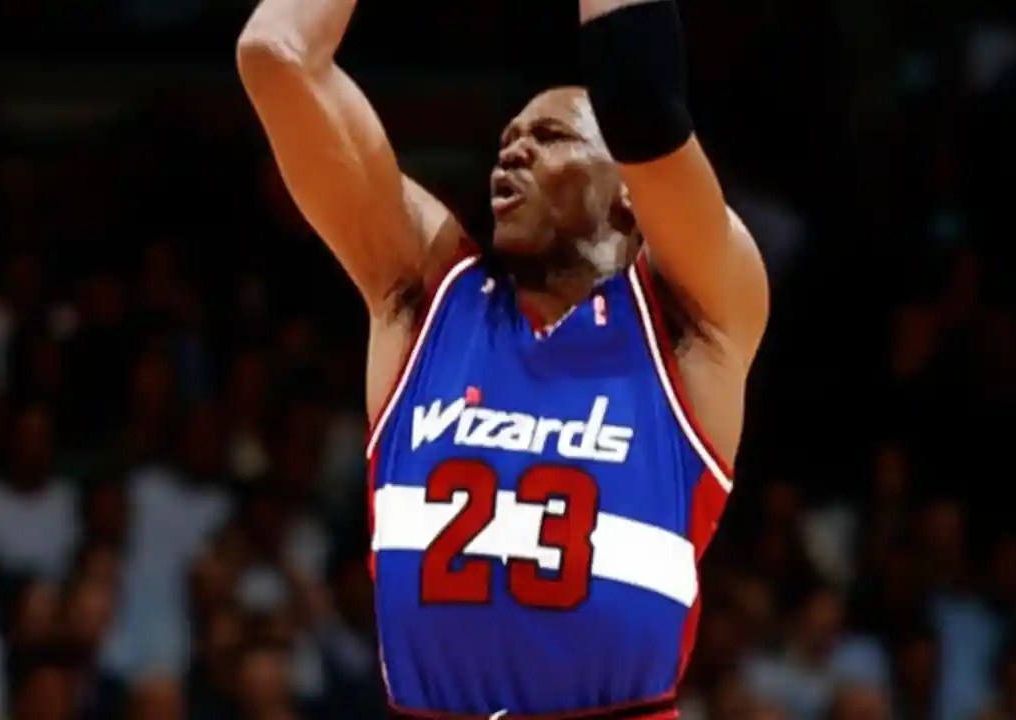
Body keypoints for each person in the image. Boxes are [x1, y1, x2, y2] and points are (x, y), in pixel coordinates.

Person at [236, 0, 769, 717]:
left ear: (630, 197)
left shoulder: (689, 323)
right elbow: (275, 54)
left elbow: (640, 93)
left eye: (549, 138)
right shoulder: (425, 297)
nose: (511, 152)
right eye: (507, 139)